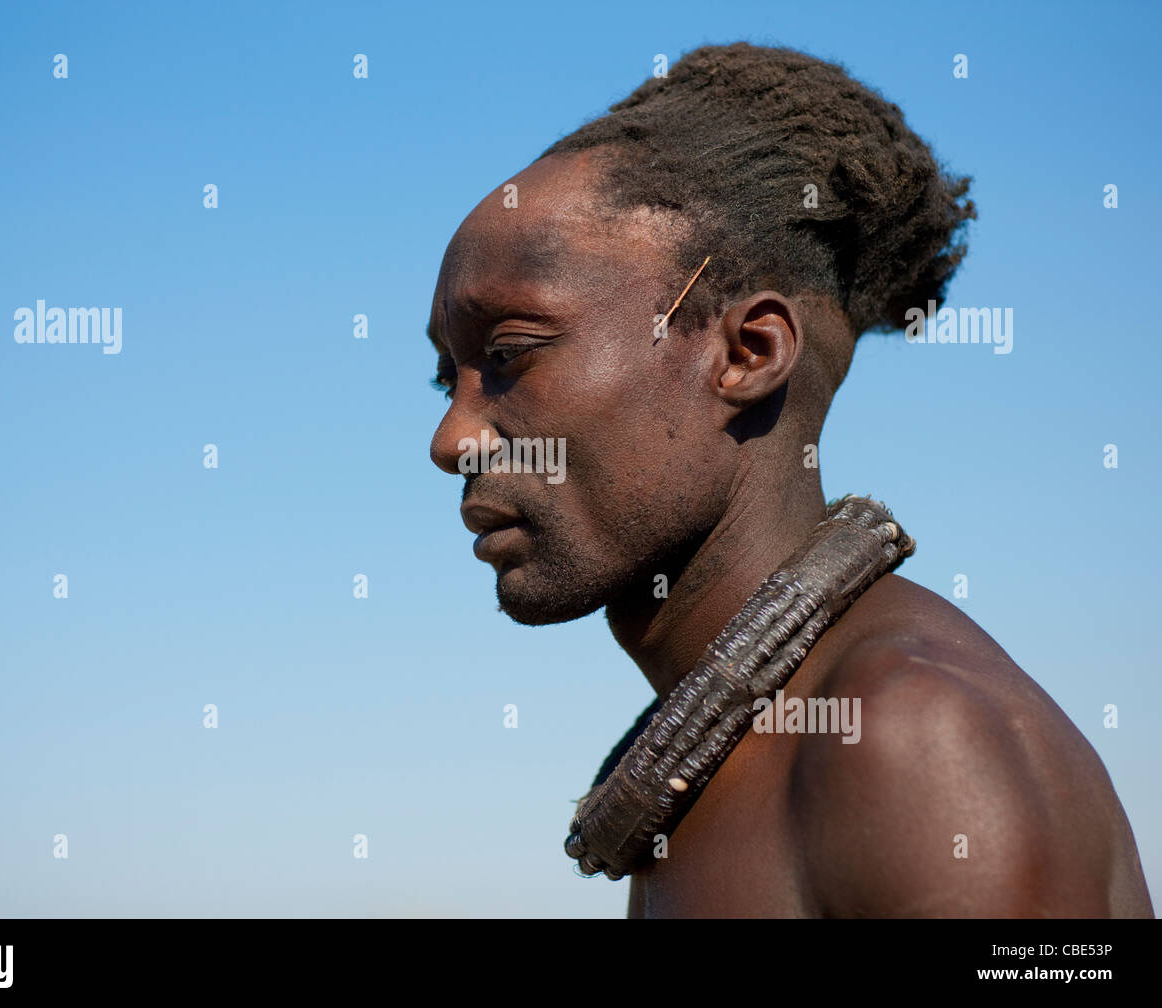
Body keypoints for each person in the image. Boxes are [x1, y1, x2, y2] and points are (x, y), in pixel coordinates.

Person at [424, 42, 1152, 917]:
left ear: (747, 353)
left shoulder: (907, 739)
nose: (454, 437)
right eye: (449, 377)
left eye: (507, 357)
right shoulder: (727, 760)